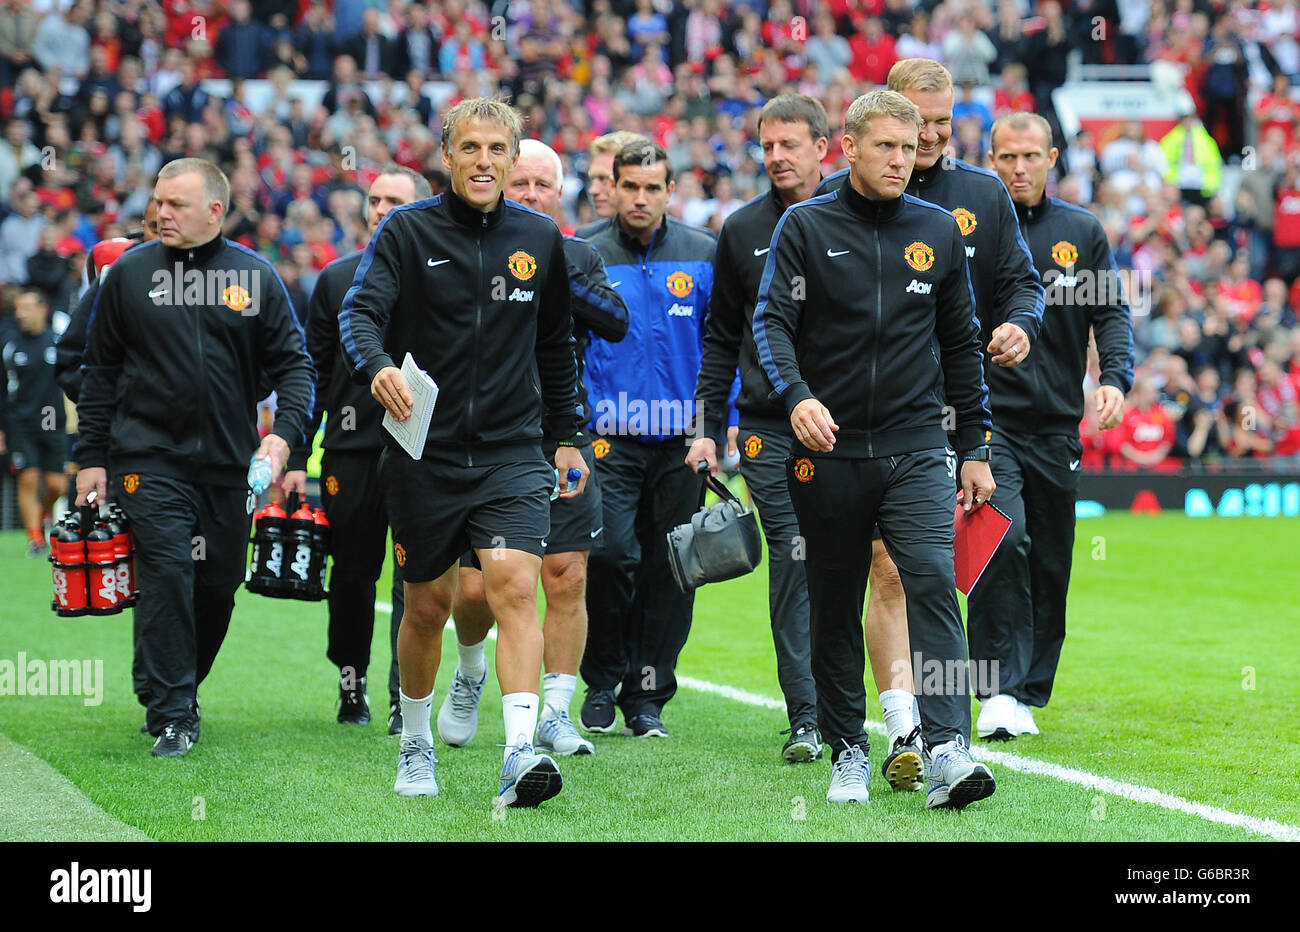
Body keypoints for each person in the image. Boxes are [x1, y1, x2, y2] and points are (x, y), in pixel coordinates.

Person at [338, 98, 589, 808]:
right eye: (470, 148)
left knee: (513, 585)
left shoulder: (541, 237)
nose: (484, 161)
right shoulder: (405, 232)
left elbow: (554, 345)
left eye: (497, 149)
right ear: (446, 157)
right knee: (426, 608)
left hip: (512, 450)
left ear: (514, 159)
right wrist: (377, 365)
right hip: (425, 453)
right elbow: (358, 312)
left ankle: (519, 753)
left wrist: (565, 436)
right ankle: (416, 742)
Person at [752, 88, 998, 809]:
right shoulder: (805, 225)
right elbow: (771, 323)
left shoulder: (939, 230)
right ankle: (850, 748)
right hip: (824, 450)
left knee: (929, 579)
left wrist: (974, 442)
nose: (901, 157)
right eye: (886, 145)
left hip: (917, 442)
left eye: (910, 143)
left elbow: (961, 344)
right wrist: (797, 396)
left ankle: (949, 748)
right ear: (850, 148)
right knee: (833, 598)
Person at [813, 58, 1044, 787]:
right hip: (855, 428)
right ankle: (899, 722)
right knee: (878, 570)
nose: (931, 137)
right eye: (918, 123)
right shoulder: (823, 210)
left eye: (943, 124)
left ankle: (976, 709)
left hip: (961, 412)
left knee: (968, 561)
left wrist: (1022, 324)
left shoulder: (981, 195)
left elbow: (1022, 285)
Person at [75, 157, 315, 757]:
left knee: (216, 585)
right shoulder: (129, 275)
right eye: (158, 201)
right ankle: (175, 711)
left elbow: (296, 366)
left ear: (215, 210)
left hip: (230, 466)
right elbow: (99, 371)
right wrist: (91, 459)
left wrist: (284, 438)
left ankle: (171, 683)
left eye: (176, 204)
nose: (161, 213)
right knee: (169, 573)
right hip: (147, 459)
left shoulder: (255, 277)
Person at [440, 139, 628, 758]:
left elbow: (616, 321)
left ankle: (554, 712)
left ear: (560, 194)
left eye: (542, 186)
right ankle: (470, 670)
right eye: (520, 184)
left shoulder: (574, 254)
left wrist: (549, 271)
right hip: (485, 436)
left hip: (562, 434)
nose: (530, 195)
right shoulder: (472, 246)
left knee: (566, 574)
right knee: (473, 590)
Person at [980, 111, 1133, 737]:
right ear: (991, 160)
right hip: (989, 424)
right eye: (1007, 157)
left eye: (1030, 156)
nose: (1018, 167)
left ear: (1052, 158)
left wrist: (1115, 378)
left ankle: (1027, 694)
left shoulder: (1082, 231)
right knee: (1001, 542)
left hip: (1057, 426)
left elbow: (1112, 312)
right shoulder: (971, 229)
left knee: (1050, 560)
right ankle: (995, 690)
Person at [688, 93, 830, 765]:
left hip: (856, 427)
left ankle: (863, 707)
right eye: (767, 145)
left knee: (861, 567)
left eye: (789, 144)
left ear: (824, 148)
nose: (775, 156)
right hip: (770, 429)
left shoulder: (857, 221)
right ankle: (807, 717)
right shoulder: (741, 228)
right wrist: (708, 428)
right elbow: (720, 340)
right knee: (796, 559)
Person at [286, 165, 432, 733]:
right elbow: (313, 375)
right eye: (373, 199)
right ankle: (352, 685)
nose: (379, 209)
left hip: (421, 450)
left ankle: (404, 697)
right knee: (351, 577)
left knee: (414, 577)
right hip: (350, 451)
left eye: (393, 199)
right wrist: (298, 458)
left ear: (419, 208)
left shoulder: (438, 278)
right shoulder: (334, 279)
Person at [579, 139, 717, 739]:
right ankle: (602, 678)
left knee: (672, 568)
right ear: (612, 185)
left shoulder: (703, 254)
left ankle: (648, 696)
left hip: (683, 442)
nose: (640, 197)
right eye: (629, 186)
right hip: (608, 437)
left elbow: (721, 353)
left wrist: (712, 429)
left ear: (670, 190)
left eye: (652, 187)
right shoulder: (583, 252)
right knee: (608, 555)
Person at [1, 289, 70, 556]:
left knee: (57, 485)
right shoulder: (10, 346)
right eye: (18, 308)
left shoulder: (58, 342)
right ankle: (35, 540)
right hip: (20, 422)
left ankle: (43, 513)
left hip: (53, 421)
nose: (21, 314)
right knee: (28, 478)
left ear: (43, 309)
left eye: (27, 307)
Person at [575, 130, 650, 237]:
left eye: (604, 179)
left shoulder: (681, 243)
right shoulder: (585, 239)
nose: (592, 190)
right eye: (592, 179)